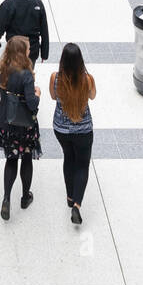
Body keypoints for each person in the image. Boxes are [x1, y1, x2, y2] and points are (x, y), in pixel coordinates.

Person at [0, 36, 40, 222]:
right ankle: (24, 196)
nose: (29, 51)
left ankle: (6, 198)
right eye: (27, 48)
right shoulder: (26, 74)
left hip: (6, 121)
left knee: (11, 160)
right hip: (24, 125)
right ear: (22, 52)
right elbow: (31, 104)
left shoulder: (1, 69)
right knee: (26, 158)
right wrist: (37, 94)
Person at [50, 43, 96, 225]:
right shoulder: (87, 79)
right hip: (83, 130)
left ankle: (70, 197)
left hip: (61, 129)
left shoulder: (55, 77)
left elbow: (53, 97)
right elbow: (92, 96)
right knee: (82, 165)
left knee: (68, 158)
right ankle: (77, 205)